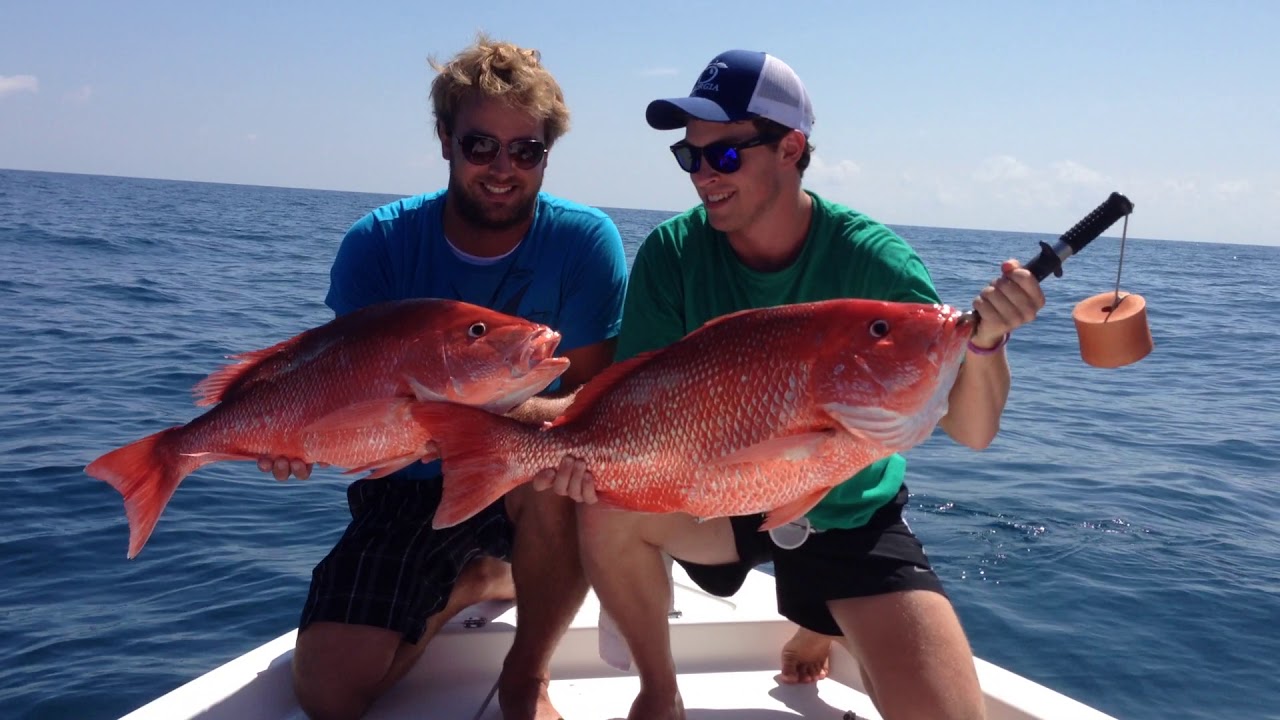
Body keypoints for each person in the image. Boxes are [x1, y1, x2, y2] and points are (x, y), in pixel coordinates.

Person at [534, 49, 1045, 720]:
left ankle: (820, 616)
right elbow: (636, 405)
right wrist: (561, 444)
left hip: (847, 513)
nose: (702, 178)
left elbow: (974, 432)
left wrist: (984, 344)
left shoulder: (873, 262)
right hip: (721, 496)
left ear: (791, 148)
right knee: (604, 505)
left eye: (723, 158)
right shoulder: (672, 252)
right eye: (690, 158)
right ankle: (659, 692)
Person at [261, 34, 628, 720]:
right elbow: (344, 391)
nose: (502, 167)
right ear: (444, 140)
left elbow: (588, 406)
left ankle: (526, 677)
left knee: (555, 469)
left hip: (525, 486)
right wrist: (297, 436)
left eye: (527, 150)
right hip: (407, 491)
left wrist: (479, 426)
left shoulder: (585, 244)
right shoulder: (379, 244)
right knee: (328, 693)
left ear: (548, 152)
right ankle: (474, 580)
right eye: (480, 145)